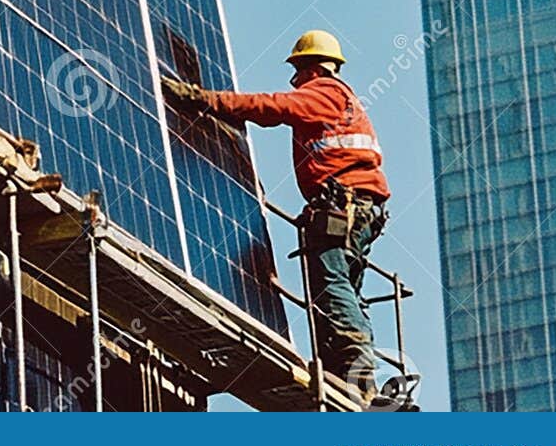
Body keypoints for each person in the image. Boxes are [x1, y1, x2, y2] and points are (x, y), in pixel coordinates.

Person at [162, 29, 390, 399]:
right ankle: (351, 372)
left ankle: (355, 370)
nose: (294, 80)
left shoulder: (326, 93)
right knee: (343, 287)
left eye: (297, 71)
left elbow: (273, 107)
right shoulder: (345, 102)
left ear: (312, 68)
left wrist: (207, 101)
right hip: (360, 210)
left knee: (331, 283)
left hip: (343, 206)